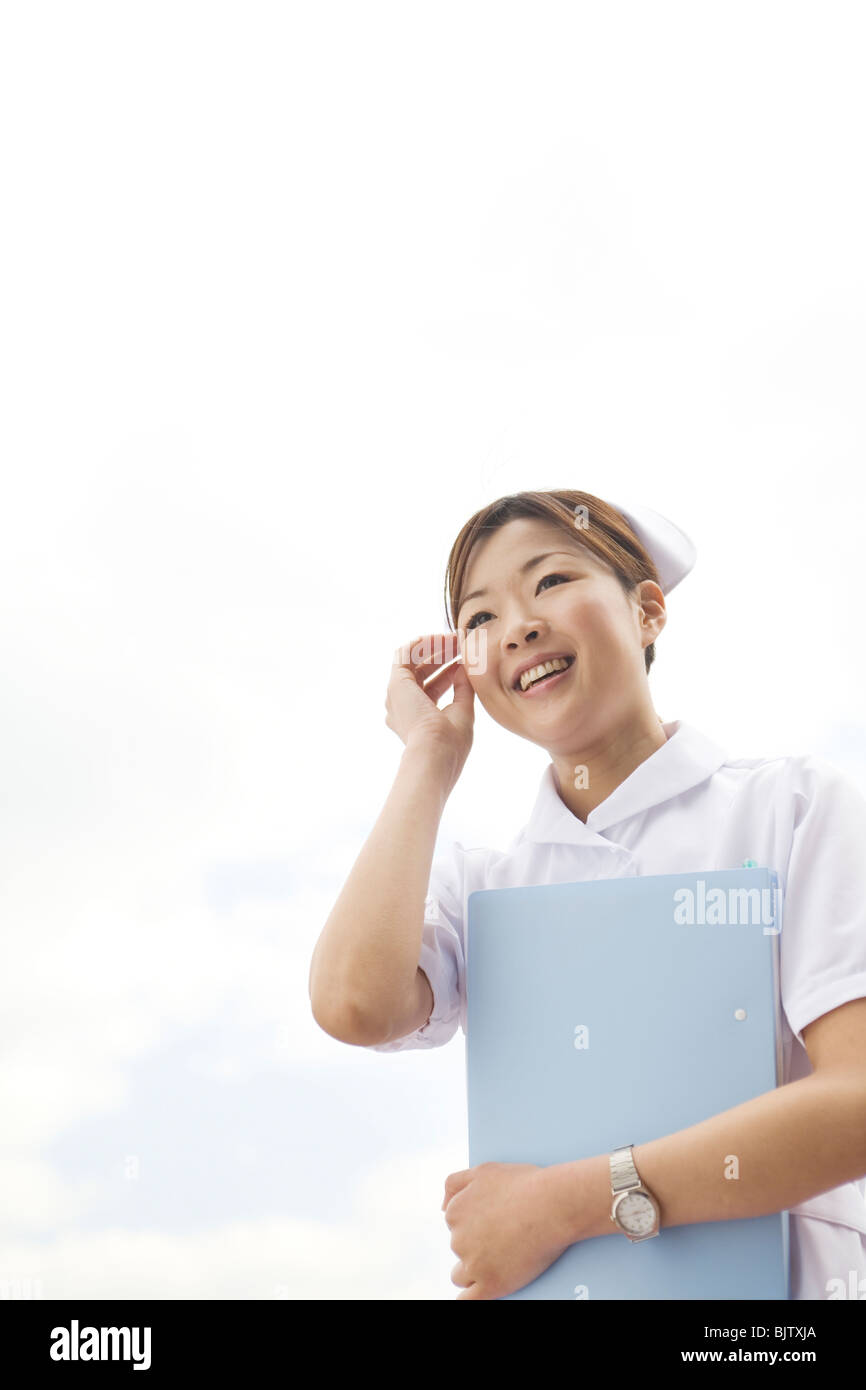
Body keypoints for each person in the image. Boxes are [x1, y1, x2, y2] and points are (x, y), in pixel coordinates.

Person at [308, 488, 866, 1301]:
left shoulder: (792, 807)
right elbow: (351, 1006)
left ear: (648, 612)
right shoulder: (484, 888)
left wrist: (560, 1207)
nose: (520, 625)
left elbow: (855, 1101)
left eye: (552, 580)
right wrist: (427, 757)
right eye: (481, 618)